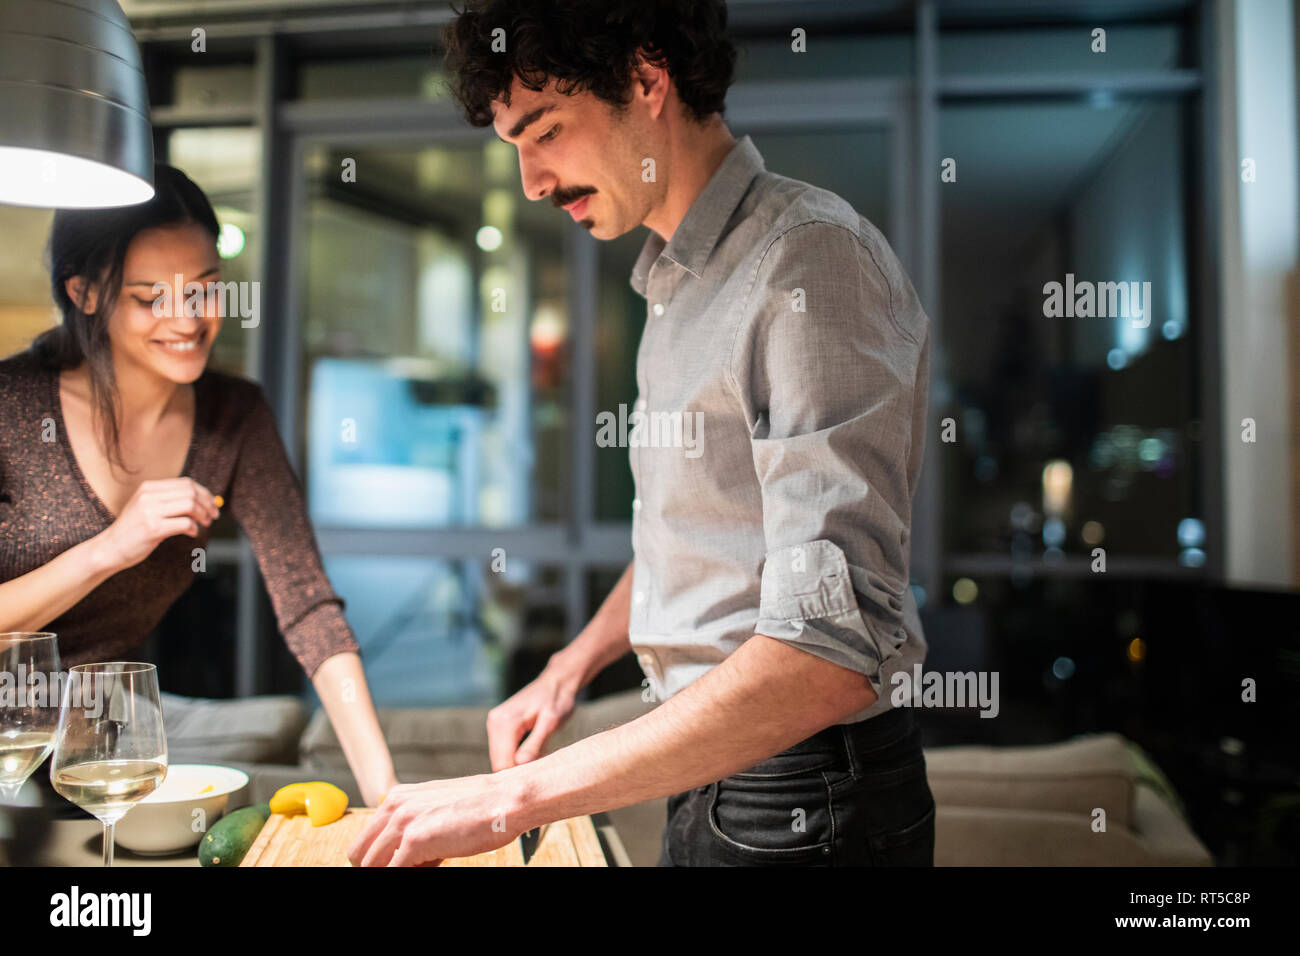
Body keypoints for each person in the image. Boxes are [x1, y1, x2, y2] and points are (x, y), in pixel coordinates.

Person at [350, 0, 934, 866]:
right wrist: (569, 667)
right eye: (515, 147)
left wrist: (510, 799)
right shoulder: (675, 284)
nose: (532, 184)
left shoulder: (808, 264)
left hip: (806, 798)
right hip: (712, 770)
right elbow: (698, 538)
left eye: (544, 132)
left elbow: (830, 651)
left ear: (647, 79)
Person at [0, 164, 398, 809]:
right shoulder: (11, 406)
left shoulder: (232, 415)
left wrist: (387, 796)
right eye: (152, 297)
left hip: (98, 729)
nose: (188, 320)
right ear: (85, 294)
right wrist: (112, 547)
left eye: (206, 290)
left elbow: (309, 607)